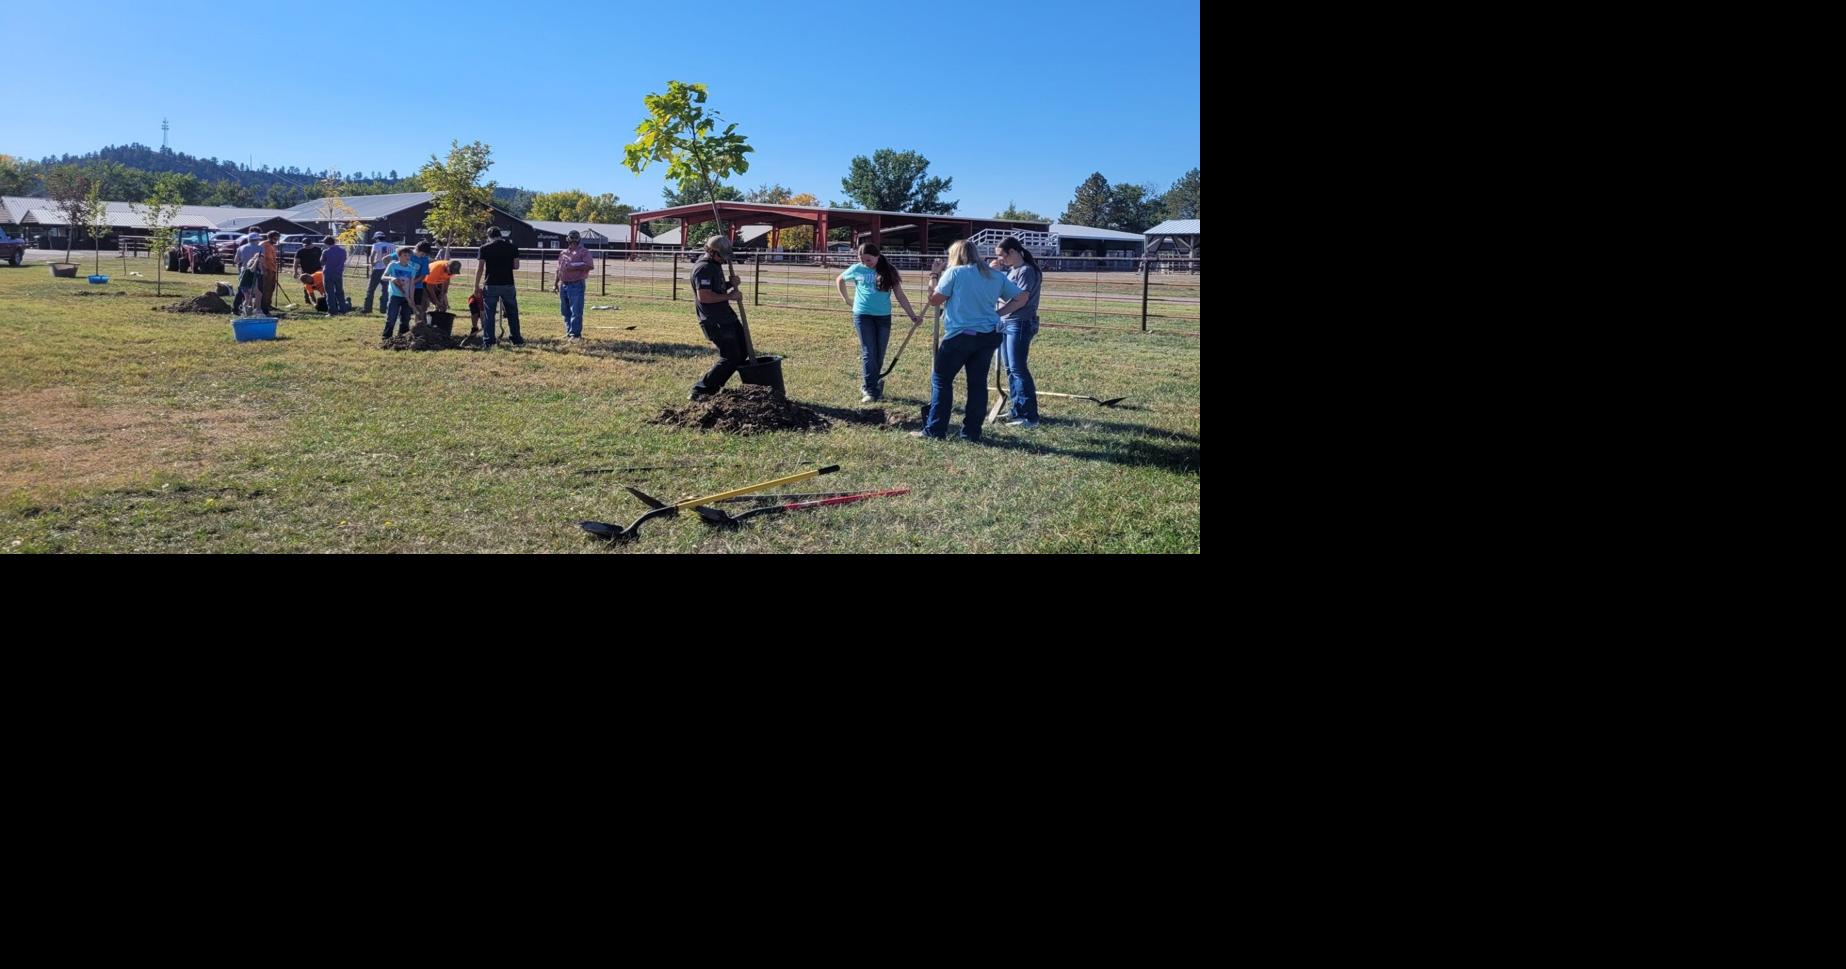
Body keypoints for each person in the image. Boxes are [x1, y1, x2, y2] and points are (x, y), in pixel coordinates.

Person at [914, 239, 1031, 442]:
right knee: (977, 384)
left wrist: (934, 275)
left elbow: (935, 300)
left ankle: (935, 430)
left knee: (941, 380)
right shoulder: (995, 275)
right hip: (988, 336)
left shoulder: (954, 273)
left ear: (955, 255)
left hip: (960, 336)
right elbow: (1022, 298)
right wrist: (998, 314)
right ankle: (971, 433)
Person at [835, 242, 921, 403]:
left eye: (868, 260)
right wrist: (846, 299)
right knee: (869, 352)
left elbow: (900, 294)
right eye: (862, 260)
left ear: (877, 256)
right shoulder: (857, 269)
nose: (865, 263)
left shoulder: (889, 271)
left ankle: (872, 383)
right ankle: (870, 390)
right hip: (862, 315)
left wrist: (912, 315)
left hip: (883, 317)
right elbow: (840, 279)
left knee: (879, 354)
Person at [687, 235, 748, 400]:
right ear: (711, 252)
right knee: (731, 357)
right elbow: (705, 296)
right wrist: (730, 296)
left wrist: (730, 284)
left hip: (727, 317)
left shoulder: (714, 265)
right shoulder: (703, 268)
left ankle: (751, 387)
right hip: (715, 321)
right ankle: (701, 390)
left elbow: (716, 289)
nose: (724, 260)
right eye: (722, 256)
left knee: (743, 351)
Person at [995, 237, 1044, 427]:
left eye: (1002, 255)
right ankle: (1017, 409)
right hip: (1007, 323)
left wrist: (996, 314)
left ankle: (1029, 416)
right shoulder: (1012, 271)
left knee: (1018, 368)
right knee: (1010, 368)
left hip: (1020, 323)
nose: (1000, 259)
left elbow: (1021, 300)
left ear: (1013, 252)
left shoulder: (1026, 271)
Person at [471, 227, 524, 348]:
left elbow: (480, 268)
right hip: (508, 283)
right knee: (512, 313)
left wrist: (476, 285)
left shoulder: (484, 248)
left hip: (491, 284)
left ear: (489, 236)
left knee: (489, 314)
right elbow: (516, 266)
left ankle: (489, 341)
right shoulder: (512, 247)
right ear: (500, 235)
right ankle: (516, 339)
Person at [554, 230, 595, 340]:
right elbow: (558, 269)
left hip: (576, 284)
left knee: (576, 311)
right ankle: (569, 332)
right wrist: (555, 283)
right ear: (567, 239)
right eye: (571, 238)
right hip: (563, 284)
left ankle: (575, 335)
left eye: (575, 238)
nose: (573, 240)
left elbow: (589, 265)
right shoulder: (563, 253)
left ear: (579, 239)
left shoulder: (584, 252)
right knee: (565, 311)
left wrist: (574, 266)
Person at [380, 247, 418, 339]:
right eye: (405, 255)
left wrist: (411, 300)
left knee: (405, 319)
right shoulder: (393, 265)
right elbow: (383, 277)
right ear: (399, 256)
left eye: (409, 255)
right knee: (391, 318)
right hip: (394, 296)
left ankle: (402, 338)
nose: (407, 257)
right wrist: (391, 278)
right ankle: (386, 337)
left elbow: (412, 285)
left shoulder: (412, 269)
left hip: (406, 297)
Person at [362, 231, 396, 315]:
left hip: (378, 268)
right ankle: (383, 309)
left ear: (377, 238)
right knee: (386, 290)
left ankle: (367, 308)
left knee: (371, 289)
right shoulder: (392, 245)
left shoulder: (376, 245)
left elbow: (372, 256)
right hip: (388, 269)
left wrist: (373, 264)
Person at [234, 233, 263, 314]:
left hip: (243, 271)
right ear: (256, 240)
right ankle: (257, 309)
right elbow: (261, 261)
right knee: (256, 293)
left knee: (245, 293)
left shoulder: (241, 248)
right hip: (254, 272)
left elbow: (236, 260)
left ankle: (244, 309)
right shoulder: (260, 248)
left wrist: (244, 260)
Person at [321, 236, 348, 314]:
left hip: (328, 273)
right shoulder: (343, 251)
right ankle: (343, 309)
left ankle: (332, 311)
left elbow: (322, 262)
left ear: (326, 243)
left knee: (330, 293)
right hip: (338, 273)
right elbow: (344, 259)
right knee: (339, 291)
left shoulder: (326, 251)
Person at [259, 231, 281, 313]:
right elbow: (262, 258)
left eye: (277, 238)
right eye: (275, 238)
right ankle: (263, 305)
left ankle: (268, 304)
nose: (276, 240)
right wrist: (264, 269)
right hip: (267, 270)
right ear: (270, 237)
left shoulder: (272, 246)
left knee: (271, 288)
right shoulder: (263, 245)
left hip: (272, 269)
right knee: (266, 288)